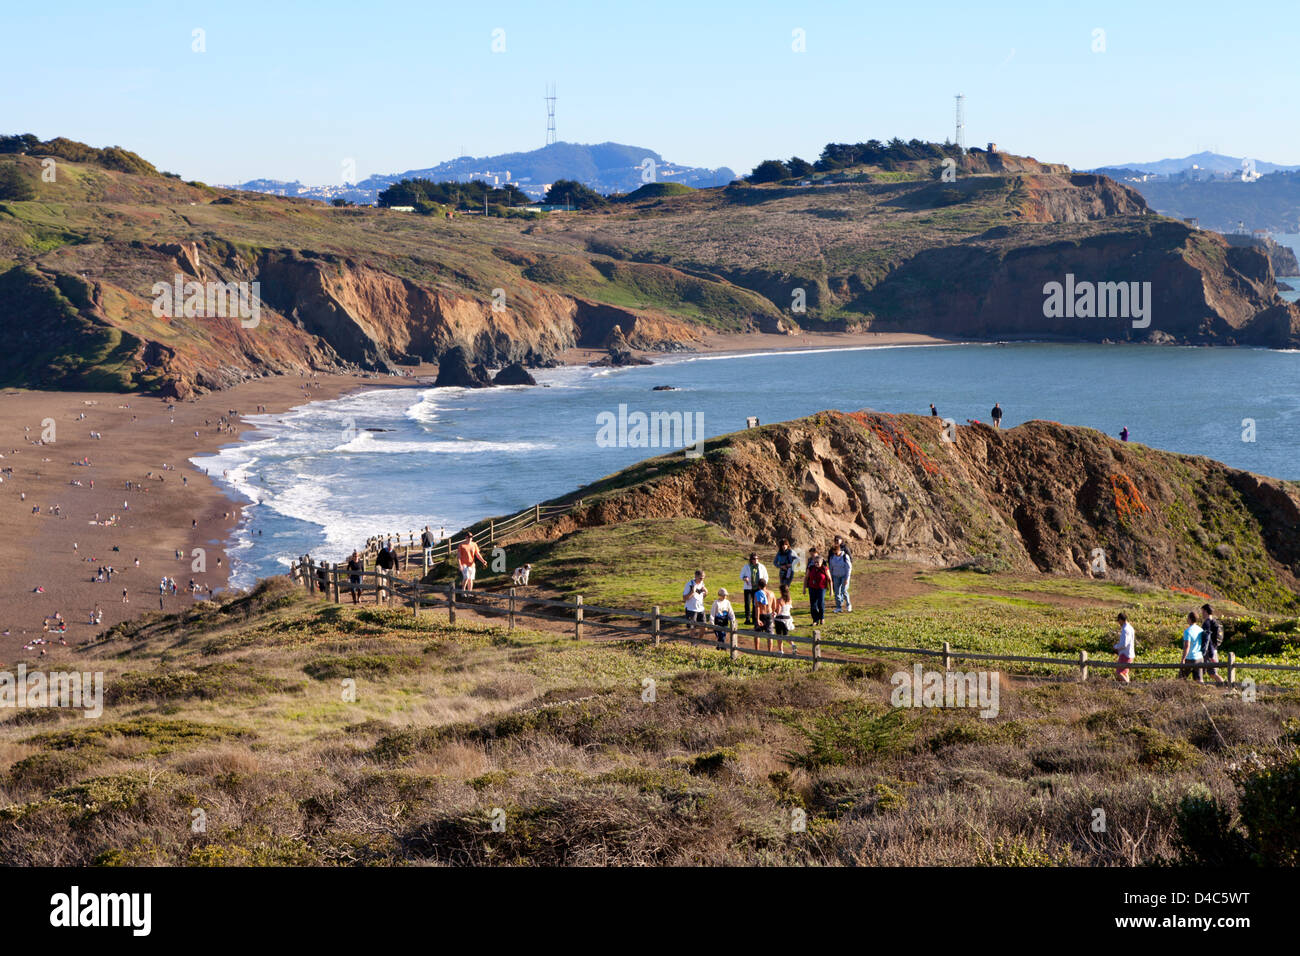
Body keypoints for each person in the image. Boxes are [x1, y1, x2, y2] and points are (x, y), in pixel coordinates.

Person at [1200, 604, 1226, 685]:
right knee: (1212, 673)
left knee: (1201, 673)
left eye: (1203, 611)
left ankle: (1224, 686)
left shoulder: (1206, 623)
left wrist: (1210, 655)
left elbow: (1208, 639)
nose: (1202, 614)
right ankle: (1224, 686)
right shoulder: (1215, 622)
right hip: (1214, 650)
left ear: (1206, 611)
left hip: (1208, 652)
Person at [740, 552, 767, 626]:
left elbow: (766, 577)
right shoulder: (746, 567)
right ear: (751, 559)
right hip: (748, 588)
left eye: (757, 558)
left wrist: (763, 585)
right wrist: (745, 578)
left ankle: (755, 619)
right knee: (747, 603)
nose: (756, 560)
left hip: (758, 588)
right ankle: (747, 619)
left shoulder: (761, 567)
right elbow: (741, 575)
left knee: (755, 604)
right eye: (754, 559)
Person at [803, 556, 830, 626]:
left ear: (821, 562)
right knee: (813, 605)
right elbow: (806, 578)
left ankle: (822, 618)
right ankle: (815, 620)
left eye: (818, 562)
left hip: (821, 588)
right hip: (812, 588)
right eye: (815, 562)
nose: (816, 564)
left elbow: (829, 579)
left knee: (821, 603)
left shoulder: (824, 568)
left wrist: (831, 590)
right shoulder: (811, 568)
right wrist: (804, 589)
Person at [828, 541, 853, 613]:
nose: (835, 554)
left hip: (844, 576)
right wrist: (831, 577)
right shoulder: (832, 557)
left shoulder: (845, 557)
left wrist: (847, 579)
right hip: (836, 576)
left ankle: (848, 605)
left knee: (844, 590)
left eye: (836, 552)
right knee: (837, 592)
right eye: (834, 552)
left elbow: (849, 568)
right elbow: (831, 567)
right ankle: (838, 607)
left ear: (839, 550)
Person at [1181, 611, 1205, 683]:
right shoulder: (1200, 630)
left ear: (1190, 619)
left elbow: (1187, 646)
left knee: (1181, 678)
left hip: (1190, 658)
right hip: (1199, 657)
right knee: (1199, 680)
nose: (1187, 619)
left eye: (1188, 618)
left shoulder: (1187, 631)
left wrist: (1183, 659)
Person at [773, 585, 795, 655]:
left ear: (781, 591)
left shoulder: (779, 600)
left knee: (779, 635)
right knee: (786, 635)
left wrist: (774, 613)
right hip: (787, 619)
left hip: (780, 619)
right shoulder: (790, 600)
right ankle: (793, 644)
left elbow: (778, 611)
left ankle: (780, 650)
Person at [752, 578, 774, 648]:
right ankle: (770, 652)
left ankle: (757, 651)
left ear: (758, 586)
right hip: (769, 615)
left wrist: (757, 619)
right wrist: (773, 613)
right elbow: (774, 605)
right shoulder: (771, 593)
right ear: (766, 585)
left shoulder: (757, 594)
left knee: (757, 634)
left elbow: (757, 607)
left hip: (761, 615)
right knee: (770, 635)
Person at [1114, 612, 1135, 683]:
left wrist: (1116, 647)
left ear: (1121, 620)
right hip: (1130, 653)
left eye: (1118, 621)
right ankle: (1128, 687)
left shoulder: (1125, 630)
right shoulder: (1130, 628)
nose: (1118, 623)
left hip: (1125, 654)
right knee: (1125, 673)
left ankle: (1128, 686)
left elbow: (1124, 644)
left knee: (1118, 672)